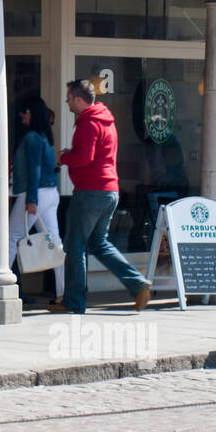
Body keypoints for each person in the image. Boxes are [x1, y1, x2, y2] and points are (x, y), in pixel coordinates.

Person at [53, 79, 153, 314]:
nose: (66, 101)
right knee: (99, 243)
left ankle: (73, 302)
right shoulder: (107, 121)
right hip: (110, 190)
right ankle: (137, 284)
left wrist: (63, 157)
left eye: (69, 97)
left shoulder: (88, 123)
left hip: (90, 192)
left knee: (74, 247)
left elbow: (84, 158)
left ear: (79, 100)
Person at [9, 96, 63, 303]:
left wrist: (31, 199)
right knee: (55, 243)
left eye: (25, 111)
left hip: (35, 194)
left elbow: (34, 170)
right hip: (51, 193)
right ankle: (63, 292)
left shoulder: (31, 138)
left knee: (12, 238)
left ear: (33, 114)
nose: (22, 114)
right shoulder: (44, 138)